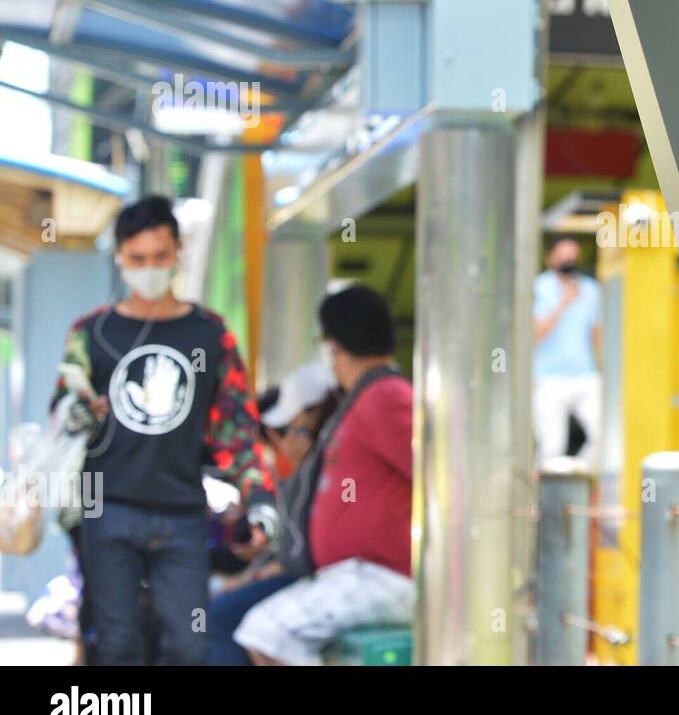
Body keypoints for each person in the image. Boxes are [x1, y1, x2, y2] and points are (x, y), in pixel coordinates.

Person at [51, 195, 275, 666]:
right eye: (137, 259)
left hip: (182, 514)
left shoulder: (211, 334)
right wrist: (75, 409)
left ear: (178, 252)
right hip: (105, 507)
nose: (149, 268)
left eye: (160, 256)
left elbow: (236, 427)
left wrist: (259, 499)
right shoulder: (92, 333)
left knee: (189, 644)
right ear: (119, 258)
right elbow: (61, 407)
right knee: (116, 644)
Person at [234, 285, 414, 665]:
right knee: (262, 631)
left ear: (333, 346)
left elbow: (435, 480)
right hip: (353, 574)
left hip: (384, 575)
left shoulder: (385, 396)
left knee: (266, 632)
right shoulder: (367, 397)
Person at [207, 362, 337, 665]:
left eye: (288, 430)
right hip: (300, 574)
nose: (282, 442)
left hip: (315, 578)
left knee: (221, 620)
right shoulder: (302, 473)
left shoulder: (323, 469)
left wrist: (254, 576)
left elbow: (306, 557)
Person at [532, 238, 602, 465]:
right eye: (563, 256)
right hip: (548, 377)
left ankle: (577, 481)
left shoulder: (590, 290)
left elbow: (596, 334)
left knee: (603, 437)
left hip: (585, 375)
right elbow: (535, 333)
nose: (568, 262)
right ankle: (545, 498)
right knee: (551, 447)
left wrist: (601, 368)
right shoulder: (538, 288)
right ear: (550, 258)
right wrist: (563, 304)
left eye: (572, 257)